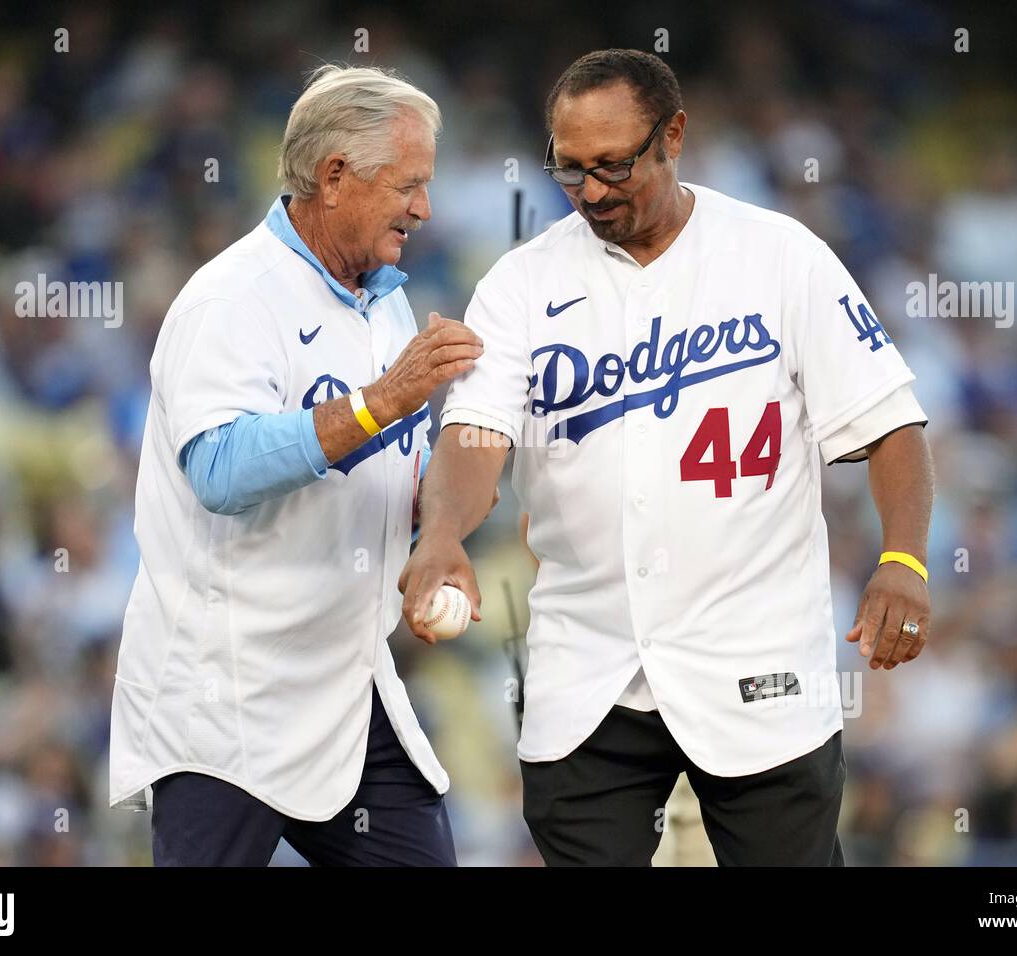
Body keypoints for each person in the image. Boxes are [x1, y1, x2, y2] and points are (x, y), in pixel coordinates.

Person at [399, 49, 934, 866]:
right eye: (570, 170)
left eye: (615, 164)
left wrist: (903, 559)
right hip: (588, 670)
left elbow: (891, 424)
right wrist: (442, 538)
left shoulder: (778, 255)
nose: (593, 192)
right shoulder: (521, 284)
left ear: (674, 134)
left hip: (757, 659)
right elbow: (475, 436)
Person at [109, 65, 483, 866]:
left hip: (347, 684)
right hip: (225, 698)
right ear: (336, 175)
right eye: (407, 185)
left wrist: (437, 526)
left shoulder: (382, 297)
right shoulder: (231, 298)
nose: (424, 207)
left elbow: (388, 469)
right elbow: (218, 468)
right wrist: (382, 401)